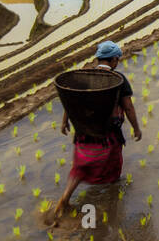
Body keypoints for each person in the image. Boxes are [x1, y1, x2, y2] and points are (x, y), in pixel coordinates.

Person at [54, 40, 142, 218]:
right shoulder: (118, 80)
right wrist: (136, 128)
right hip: (108, 134)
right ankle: (111, 197)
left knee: (80, 167)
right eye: (118, 59)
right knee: (113, 164)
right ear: (114, 59)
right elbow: (128, 107)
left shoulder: (85, 76)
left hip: (84, 132)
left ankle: (65, 198)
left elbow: (71, 102)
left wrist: (65, 122)